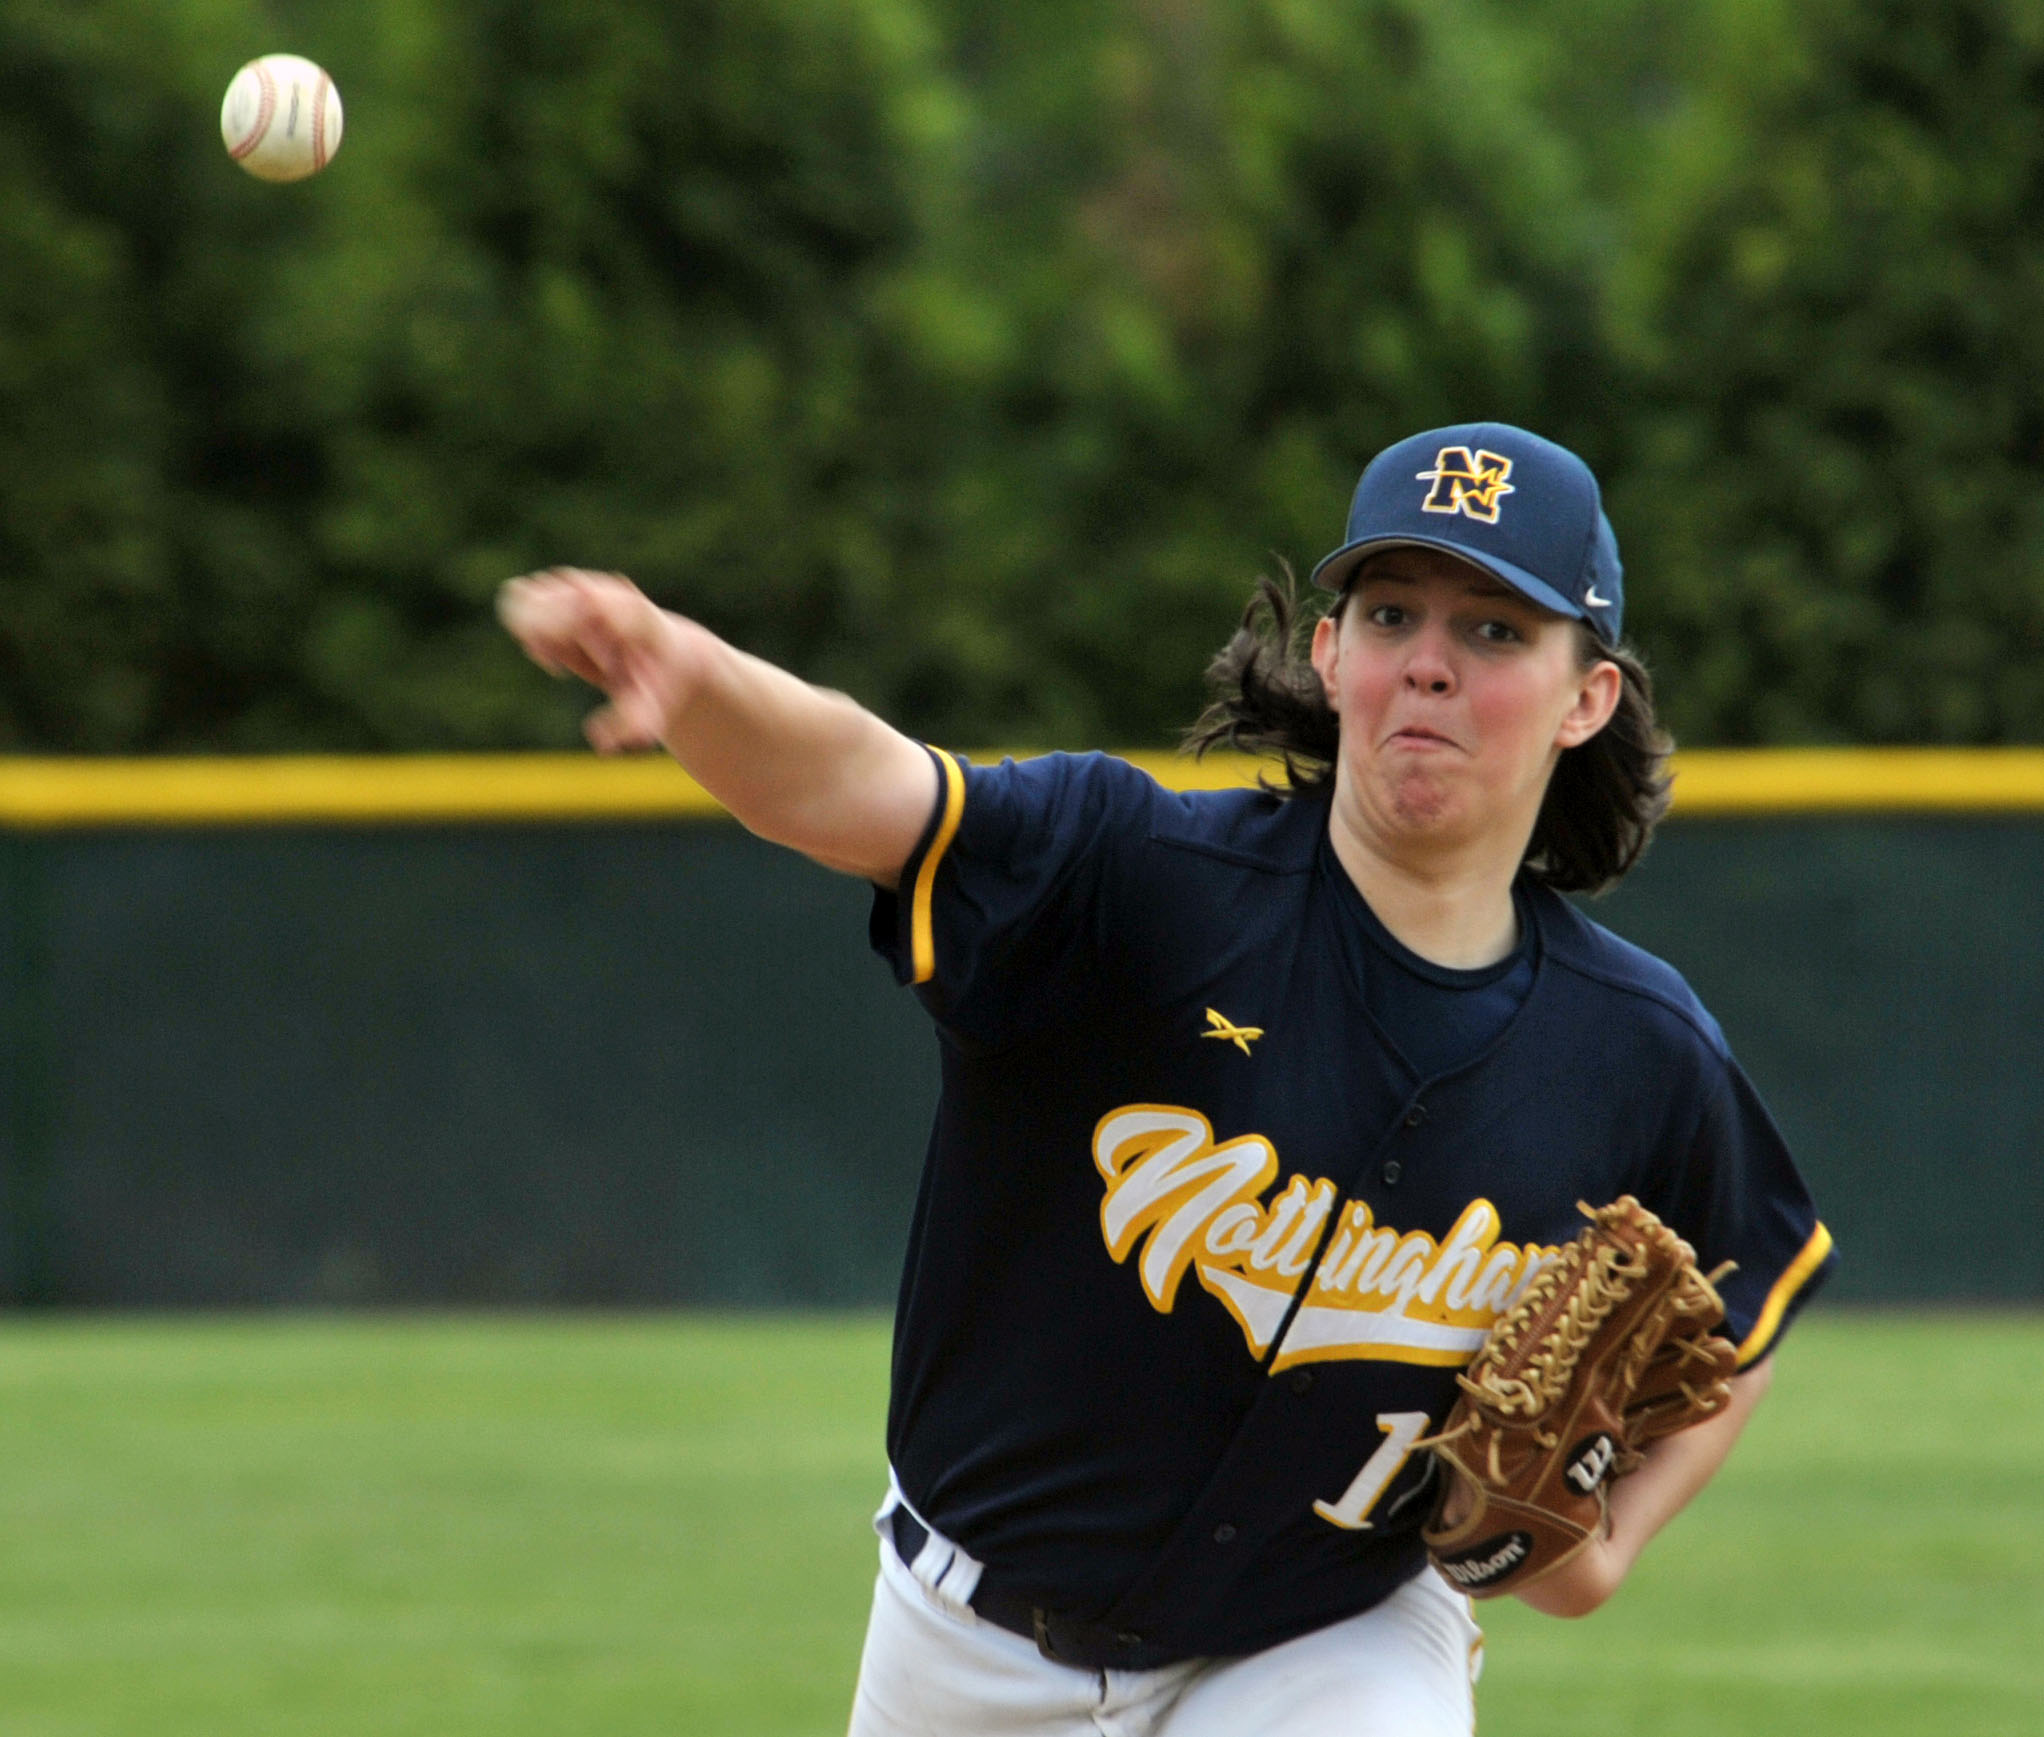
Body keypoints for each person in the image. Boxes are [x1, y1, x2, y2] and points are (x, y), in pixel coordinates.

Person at [498, 422, 1834, 1736]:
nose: (1429, 664)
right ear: (1328, 651)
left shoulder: (1637, 1046)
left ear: (1587, 696)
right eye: (1390, 616)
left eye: (1494, 632)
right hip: (967, 1644)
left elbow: (1750, 1300)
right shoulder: (1133, 876)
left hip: (1330, 1637)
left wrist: (1603, 1546)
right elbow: (862, 782)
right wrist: (690, 673)